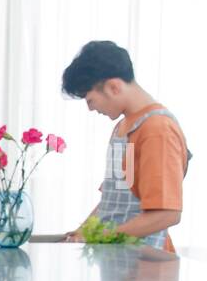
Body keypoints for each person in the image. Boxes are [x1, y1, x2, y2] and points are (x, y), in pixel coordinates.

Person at [61, 40, 191, 252]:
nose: (90, 109)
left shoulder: (157, 130)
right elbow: (113, 200)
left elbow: (167, 213)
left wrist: (102, 237)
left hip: (145, 269)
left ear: (114, 87)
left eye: (90, 99)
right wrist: (81, 233)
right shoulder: (123, 128)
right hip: (118, 265)